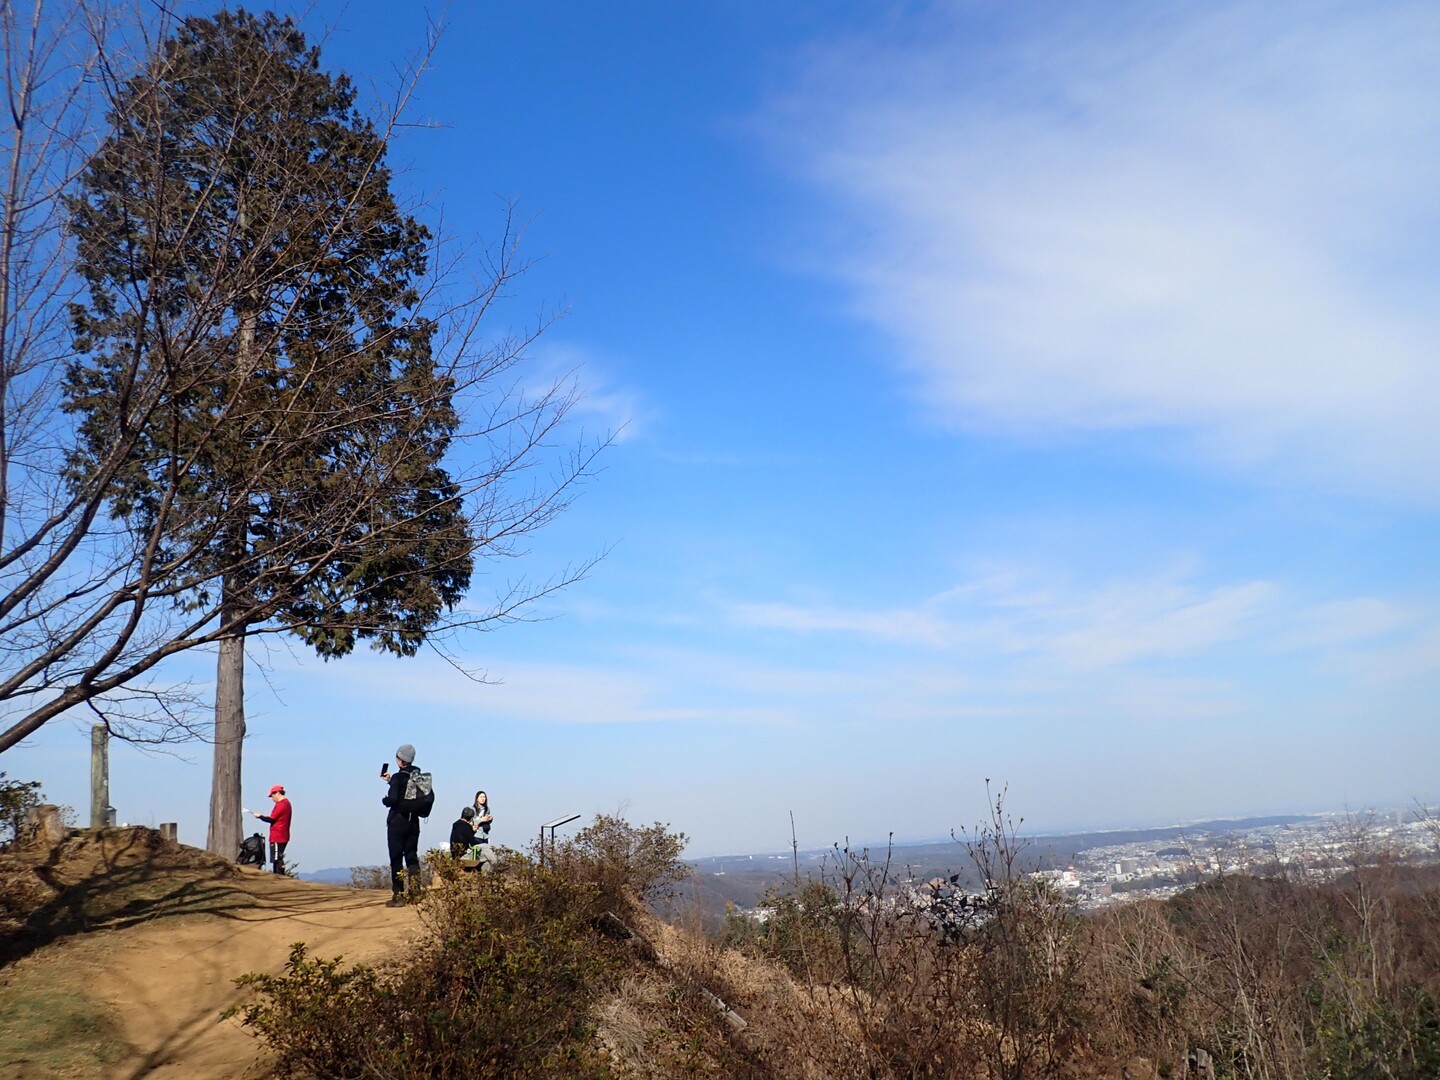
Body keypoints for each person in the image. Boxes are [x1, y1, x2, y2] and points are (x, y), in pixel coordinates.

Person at [381, 744, 423, 906]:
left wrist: (384, 799)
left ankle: (398, 895)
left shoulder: (399, 778)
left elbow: (392, 800)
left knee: (396, 858)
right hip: (414, 821)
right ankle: (415, 892)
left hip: (397, 822)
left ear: (400, 759)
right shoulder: (417, 776)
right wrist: (390, 780)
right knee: (411, 856)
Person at [251, 784, 291, 875]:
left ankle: (279, 877)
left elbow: (271, 819)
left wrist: (260, 816)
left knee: (277, 859)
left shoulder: (281, 805)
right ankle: (278, 876)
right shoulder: (287, 803)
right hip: (283, 835)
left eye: (272, 796)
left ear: (277, 793)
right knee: (277, 858)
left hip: (278, 836)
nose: (272, 798)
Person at [471, 790, 497, 873]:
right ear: (477, 799)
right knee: (478, 855)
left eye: (484, 797)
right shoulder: (473, 809)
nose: (483, 799)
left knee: (486, 854)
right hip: (476, 835)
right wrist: (481, 820)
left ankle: (486, 872)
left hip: (485, 835)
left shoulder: (487, 809)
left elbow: (487, 821)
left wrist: (490, 819)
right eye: (481, 797)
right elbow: (472, 822)